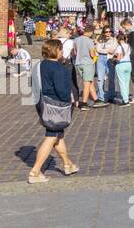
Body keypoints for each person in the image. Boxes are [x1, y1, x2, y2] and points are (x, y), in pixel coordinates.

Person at [27, 38, 79, 182]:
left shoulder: (39, 65)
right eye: (61, 49)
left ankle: (67, 164)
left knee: (58, 135)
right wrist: (71, 100)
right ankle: (35, 171)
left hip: (42, 102)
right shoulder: (59, 68)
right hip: (56, 106)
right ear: (56, 51)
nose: (63, 52)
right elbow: (62, 91)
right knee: (51, 136)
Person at [72, 24, 98, 110]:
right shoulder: (89, 41)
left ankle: (96, 99)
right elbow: (92, 54)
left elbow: (75, 53)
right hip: (87, 63)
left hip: (78, 63)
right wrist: (95, 53)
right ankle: (84, 103)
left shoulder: (76, 40)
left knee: (89, 82)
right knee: (87, 83)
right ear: (91, 32)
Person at [95, 26, 120, 104]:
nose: (108, 33)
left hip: (110, 59)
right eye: (106, 32)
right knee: (100, 78)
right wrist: (108, 50)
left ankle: (111, 96)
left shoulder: (114, 40)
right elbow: (98, 49)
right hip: (100, 59)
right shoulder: (100, 39)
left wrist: (106, 50)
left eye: (110, 32)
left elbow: (113, 50)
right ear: (103, 32)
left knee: (111, 78)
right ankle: (101, 97)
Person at [112, 28, 133, 105]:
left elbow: (119, 57)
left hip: (121, 64)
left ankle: (125, 100)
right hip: (128, 64)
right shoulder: (128, 46)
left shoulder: (119, 47)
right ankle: (126, 96)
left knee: (121, 82)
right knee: (127, 82)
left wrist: (113, 58)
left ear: (118, 40)